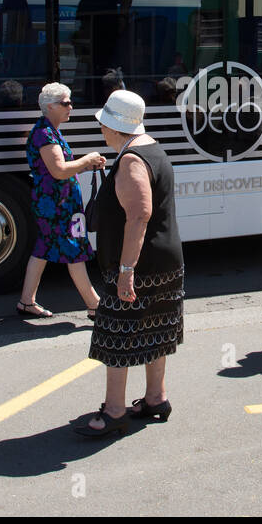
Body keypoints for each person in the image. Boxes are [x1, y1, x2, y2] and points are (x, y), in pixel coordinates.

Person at [76, 89, 184, 437]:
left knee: (115, 334)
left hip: (140, 265)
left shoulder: (131, 159)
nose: (102, 132)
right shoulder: (152, 148)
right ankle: (155, 398)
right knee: (155, 328)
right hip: (164, 259)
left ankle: (114, 410)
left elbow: (139, 215)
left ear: (114, 127)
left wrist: (126, 272)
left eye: (103, 126)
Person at [17, 83, 106, 319]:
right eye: (65, 103)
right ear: (50, 106)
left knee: (43, 248)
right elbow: (58, 171)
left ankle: (26, 301)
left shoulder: (48, 131)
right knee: (74, 249)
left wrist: (86, 166)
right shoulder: (45, 134)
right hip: (58, 205)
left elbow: (59, 171)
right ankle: (94, 304)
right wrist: (87, 160)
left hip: (56, 202)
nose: (70, 107)